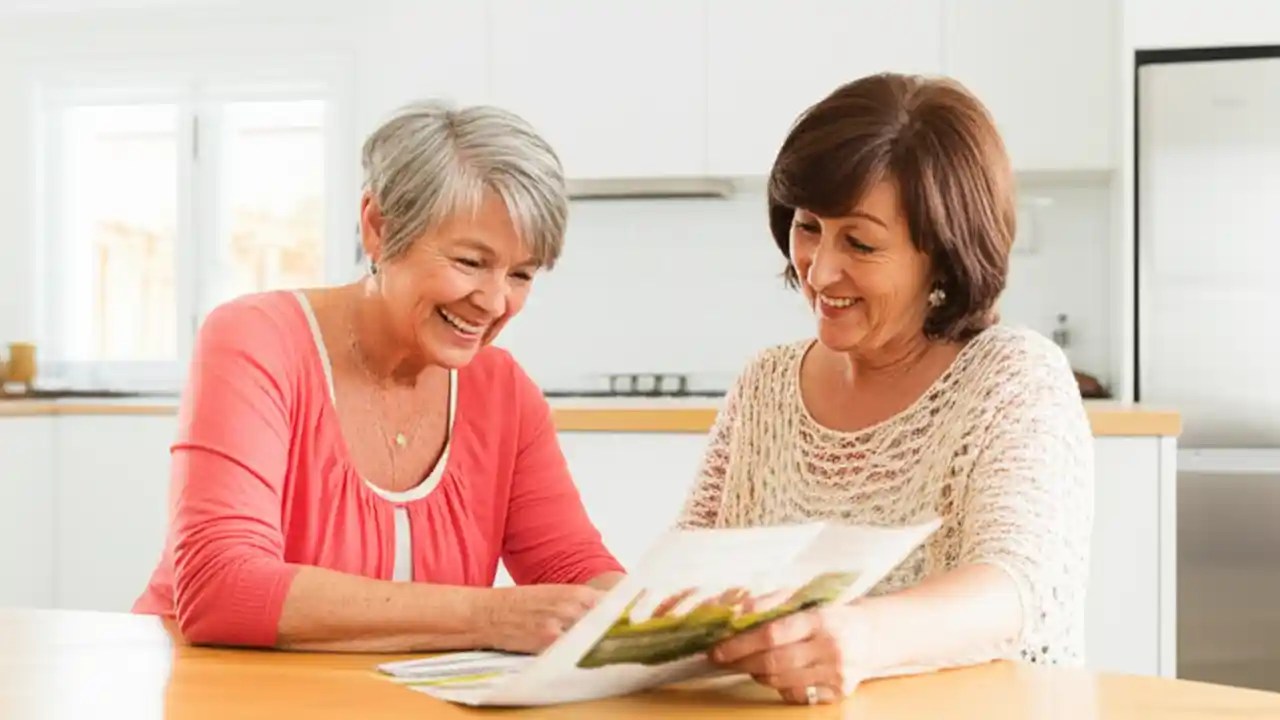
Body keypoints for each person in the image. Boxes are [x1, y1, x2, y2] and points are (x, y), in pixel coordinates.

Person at [133, 100, 624, 653]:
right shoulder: (256, 339)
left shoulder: (503, 391)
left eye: (521, 274)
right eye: (469, 262)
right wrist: (489, 616)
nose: (493, 301)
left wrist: (675, 627)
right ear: (379, 227)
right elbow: (222, 586)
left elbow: (572, 565)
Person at [679, 73, 1095, 705]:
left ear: (944, 254)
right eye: (808, 226)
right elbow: (686, 576)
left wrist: (861, 635)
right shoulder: (765, 385)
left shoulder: (1012, 376)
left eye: (861, 242)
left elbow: (1015, 587)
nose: (819, 270)